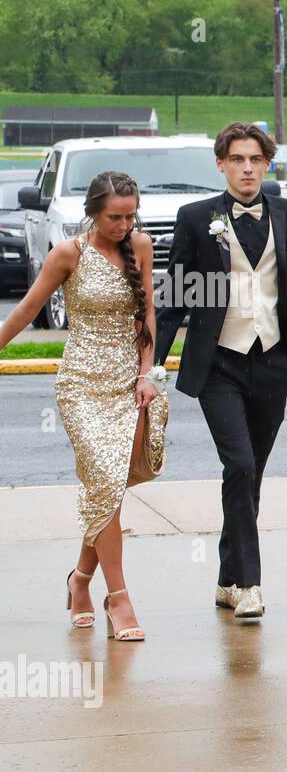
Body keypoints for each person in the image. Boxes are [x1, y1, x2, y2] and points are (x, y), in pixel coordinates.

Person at [154, 121, 287, 619]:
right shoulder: (196, 217)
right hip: (218, 360)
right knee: (239, 466)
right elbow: (176, 294)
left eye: (255, 159)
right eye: (237, 159)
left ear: (267, 164)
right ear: (220, 164)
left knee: (250, 474)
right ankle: (248, 584)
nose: (247, 168)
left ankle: (226, 576)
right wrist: (153, 363)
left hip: (272, 361)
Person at [0, 171, 166, 641]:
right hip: (80, 386)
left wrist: (147, 372)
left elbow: (147, 312)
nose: (123, 224)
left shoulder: (141, 246)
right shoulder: (67, 253)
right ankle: (120, 599)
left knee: (108, 490)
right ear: (93, 212)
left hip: (128, 383)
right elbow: (28, 309)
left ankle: (79, 581)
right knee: (103, 481)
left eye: (130, 215)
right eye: (115, 216)